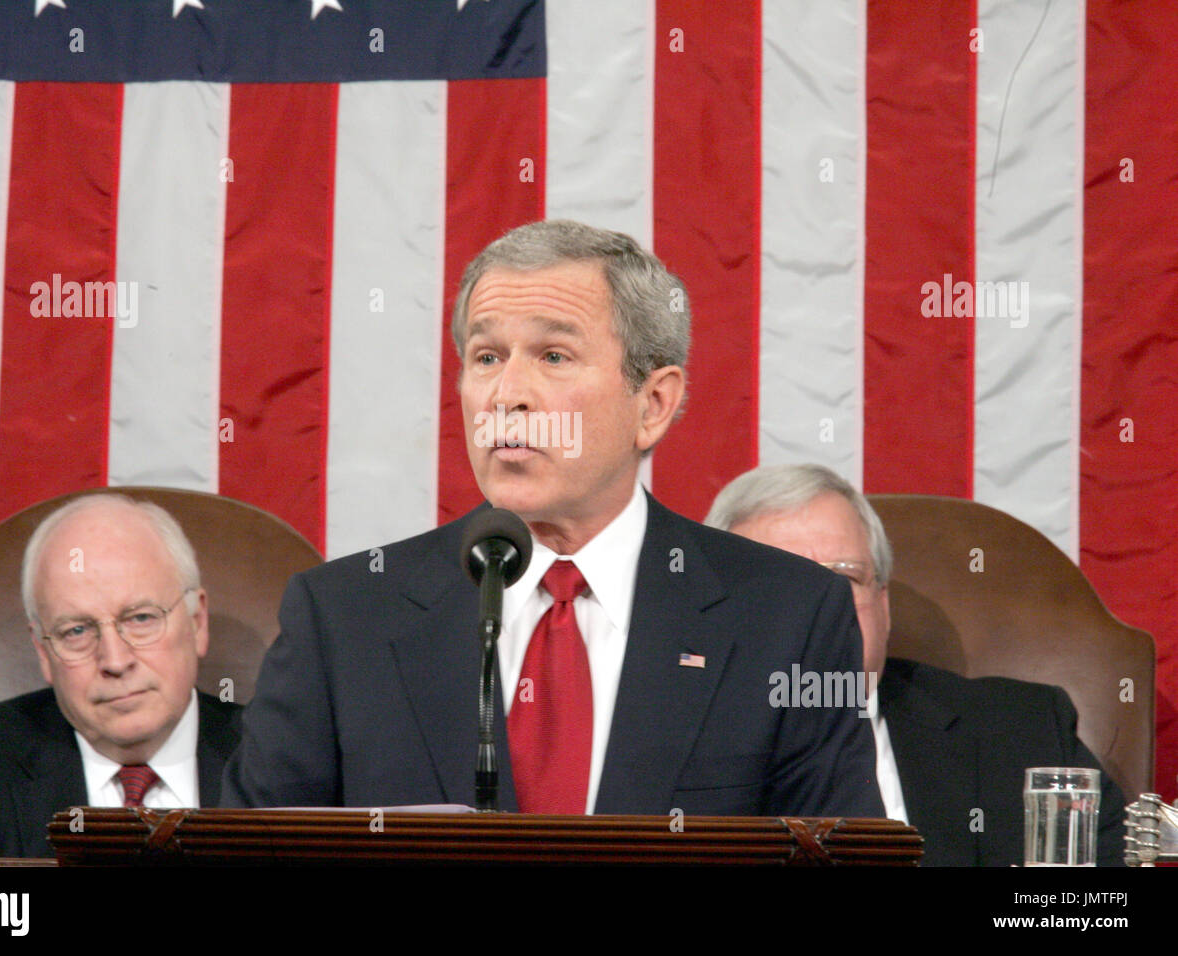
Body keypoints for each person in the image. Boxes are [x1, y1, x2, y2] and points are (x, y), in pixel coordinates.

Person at [222, 219, 884, 818]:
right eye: (486, 358)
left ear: (653, 404)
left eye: (553, 356)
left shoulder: (789, 616)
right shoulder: (343, 619)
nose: (507, 395)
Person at [705, 463, 1127, 865]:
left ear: (883, 605)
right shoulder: (660, 744)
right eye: (784, 584)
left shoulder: (1026, 733)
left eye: (843, 580)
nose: (822, 611)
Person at [0, 493, 242, 857]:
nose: (115, 661)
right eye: (77, 631)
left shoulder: (290, 761)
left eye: (141, 618)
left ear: (197, 622)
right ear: (43, 651)